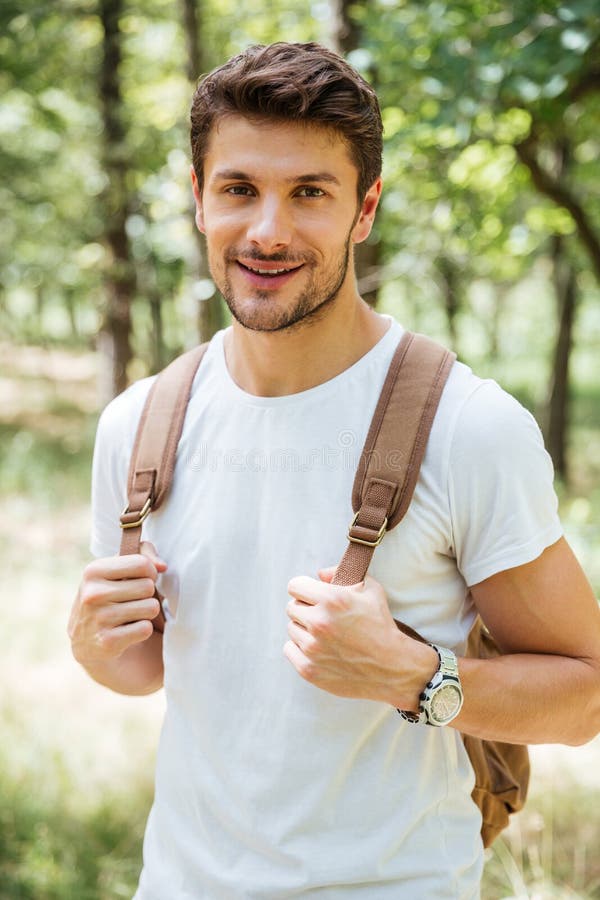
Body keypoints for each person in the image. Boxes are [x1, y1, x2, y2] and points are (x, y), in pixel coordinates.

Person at [68, 42, 600, 899]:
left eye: (310, 192)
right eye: (239, 189)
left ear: (365, 209)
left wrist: (411, 676)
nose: (268, 230)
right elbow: (149, 669)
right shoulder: (137, 425)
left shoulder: (467, 428)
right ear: (198, 200)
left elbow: (587, 695)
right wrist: (92, 645)